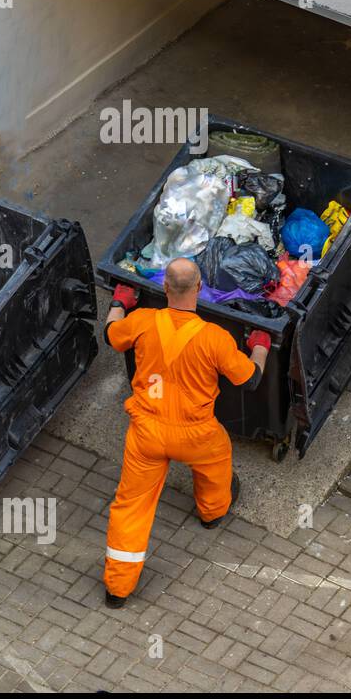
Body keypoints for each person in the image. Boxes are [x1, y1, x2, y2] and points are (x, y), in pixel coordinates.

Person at [103, 258, 269, 608]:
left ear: (164, 288)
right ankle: (212, 512)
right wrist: (260, 345)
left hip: (146, 434)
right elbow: (251, 379)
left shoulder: (144, 322)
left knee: (131, 505)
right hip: (197, 436)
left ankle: (117, 588)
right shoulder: (215, 339)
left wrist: (119, 302)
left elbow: (111, 335)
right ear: (199, 288)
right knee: (218, 460)